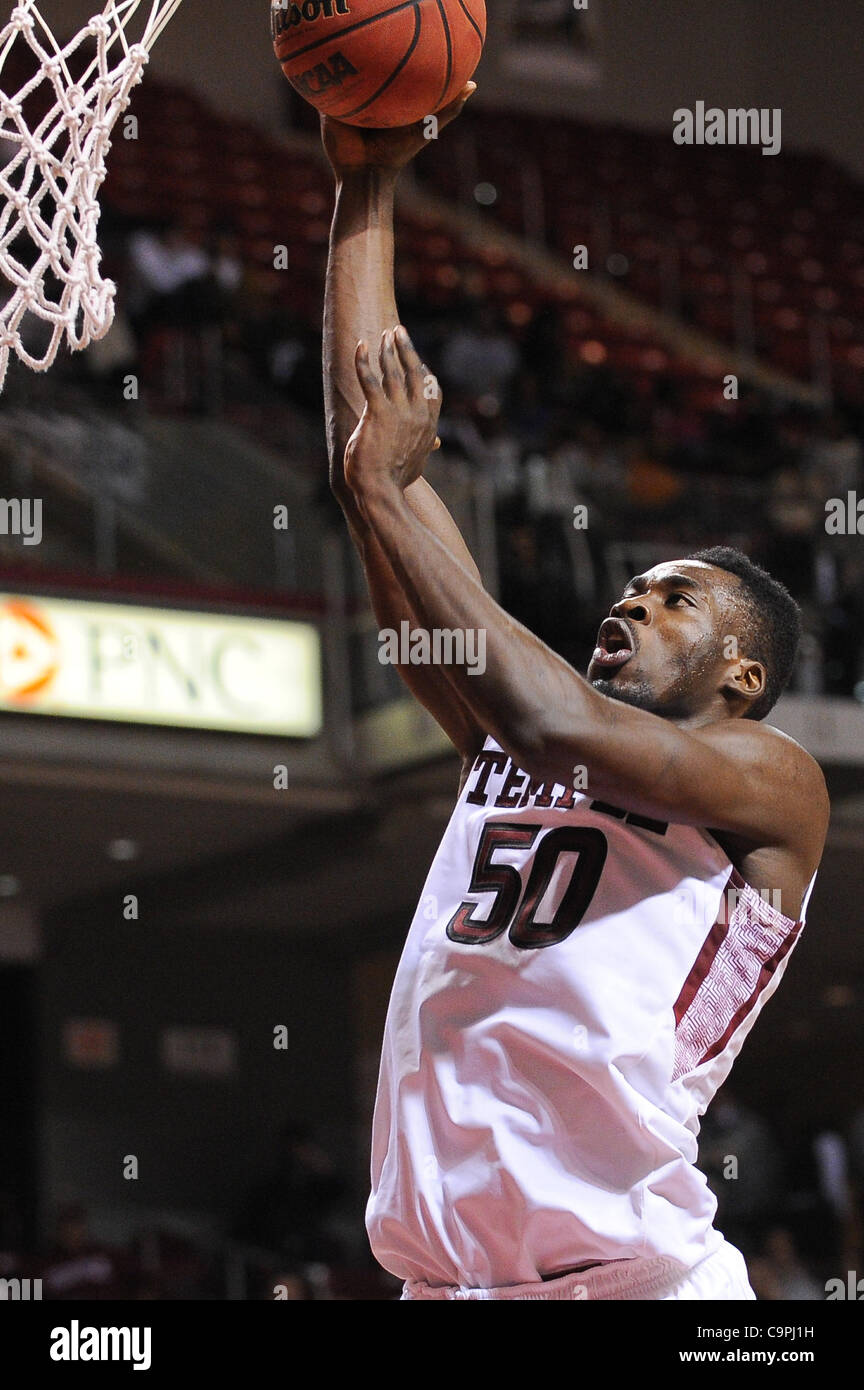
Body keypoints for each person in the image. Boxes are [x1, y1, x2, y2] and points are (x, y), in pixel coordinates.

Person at [321, 87, 829, 1302]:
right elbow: (369, 440)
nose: (632, 604)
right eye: (632, 589)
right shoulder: (505, 735)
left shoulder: (771, 781)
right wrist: (366, 179)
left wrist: (388, 494)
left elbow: (552, 713)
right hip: (445, 1285)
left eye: (675, 599)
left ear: (742, 676)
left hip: (639, 1281)